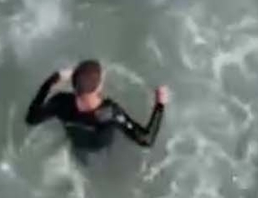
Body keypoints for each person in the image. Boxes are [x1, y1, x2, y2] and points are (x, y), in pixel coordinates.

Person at [25, 60, 168, 156]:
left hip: (77, 145)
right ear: (99, 86)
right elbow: (146, 140)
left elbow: (31, 118)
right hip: (102, 150)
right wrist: (160, 105)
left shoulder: (61, 102)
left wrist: (51, 81)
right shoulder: (110, 112)